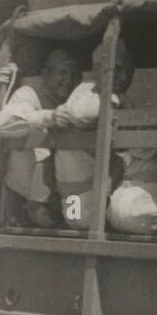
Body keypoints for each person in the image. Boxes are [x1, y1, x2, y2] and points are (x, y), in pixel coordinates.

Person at [0, 47, 82, 228]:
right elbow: (4, 124)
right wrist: (49, 117)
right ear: (46, 74)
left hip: (56, 203)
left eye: (74, 75)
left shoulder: (75, 105)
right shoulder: (28, 94)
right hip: (22, 203)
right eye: (63, 72)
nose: (68, 80)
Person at [55, 37, 134, 229]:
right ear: (99, 68)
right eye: (118, 70)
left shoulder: (102, 96)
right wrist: (114, 100)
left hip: (84, 205)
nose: (124, 78)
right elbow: (81, 114)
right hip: (82, 210)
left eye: (127, 71)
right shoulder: (85, 93)